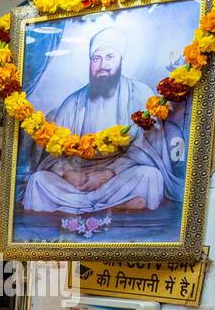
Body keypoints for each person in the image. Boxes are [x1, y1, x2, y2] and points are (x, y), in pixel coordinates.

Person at [22, 25, 181, 213]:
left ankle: (94, 206)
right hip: (77, 180)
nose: (102, 65)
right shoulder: (72, 103)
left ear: (121, 60)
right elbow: (52, 155)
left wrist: (109, 172)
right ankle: (115, 206)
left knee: (150, 176)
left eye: (109, 57)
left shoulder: (140, 94)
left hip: (118, 176)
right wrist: (68, 173)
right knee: (38, 181)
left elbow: (147, 150)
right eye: (96, 59)